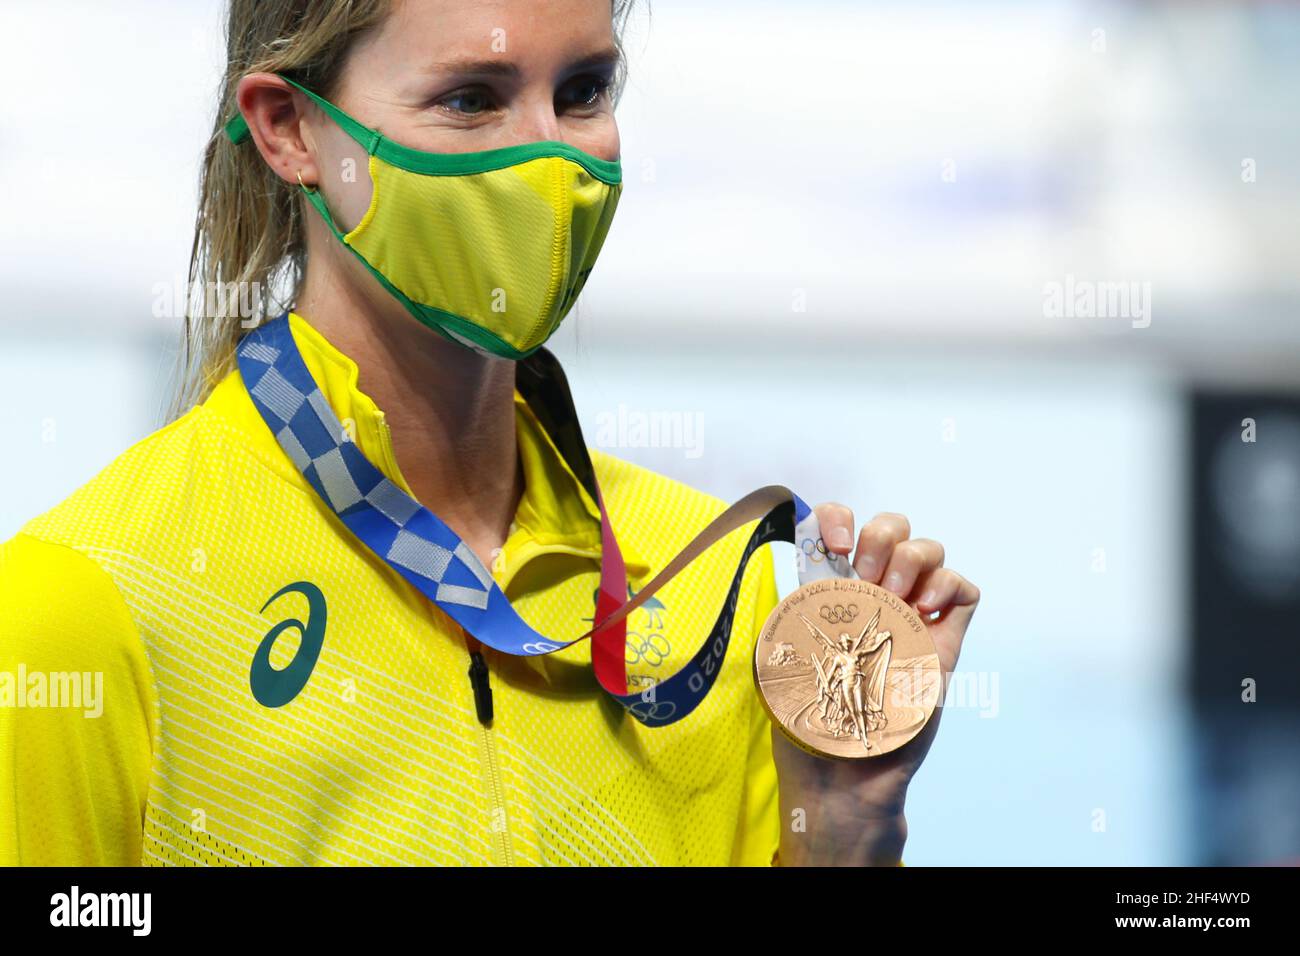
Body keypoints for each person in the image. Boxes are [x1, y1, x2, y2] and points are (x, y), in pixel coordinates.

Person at [0, 0, 979, 867]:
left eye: (584, 90)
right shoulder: (88, 598)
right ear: (291, 130)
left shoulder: (706, 589)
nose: (549, 157)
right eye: (471, 98)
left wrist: (847, 825)